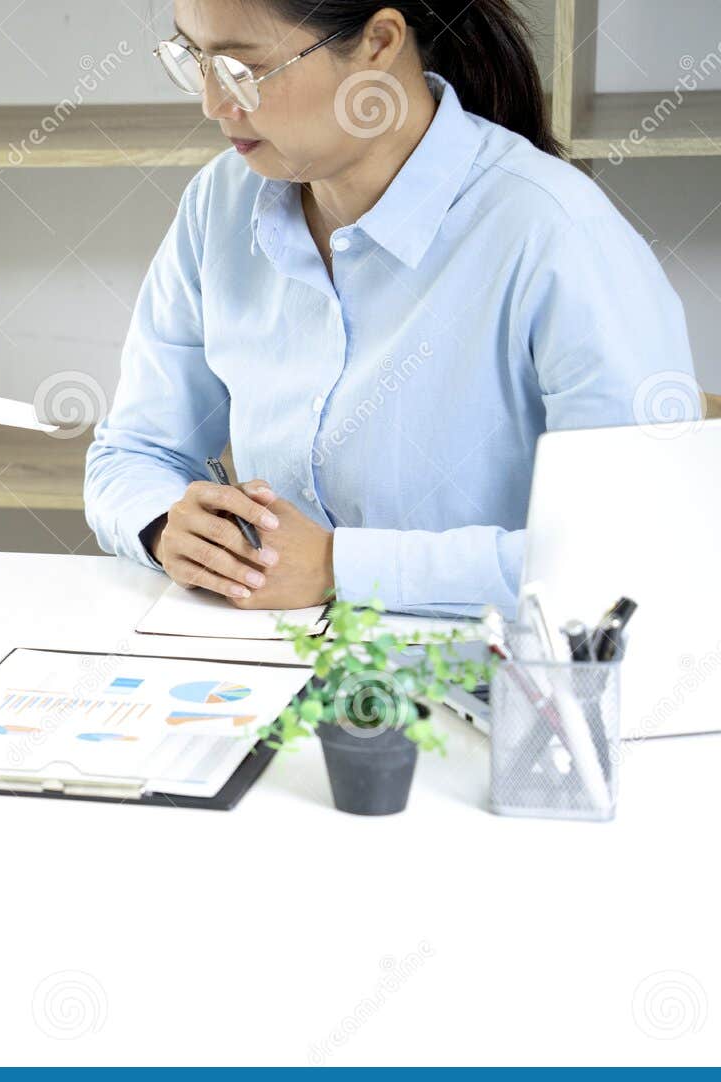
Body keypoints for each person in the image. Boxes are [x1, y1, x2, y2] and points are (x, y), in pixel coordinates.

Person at [84, 0, 697, 618]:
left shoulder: (556, 232)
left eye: (243, 69)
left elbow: (633, 548)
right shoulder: (219, 202)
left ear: (379, 43)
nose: (214, 104)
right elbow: (136, 449)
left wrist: (337, 567)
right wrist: (167, 528)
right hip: (274, 661)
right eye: (195, 58)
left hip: (495, 683)